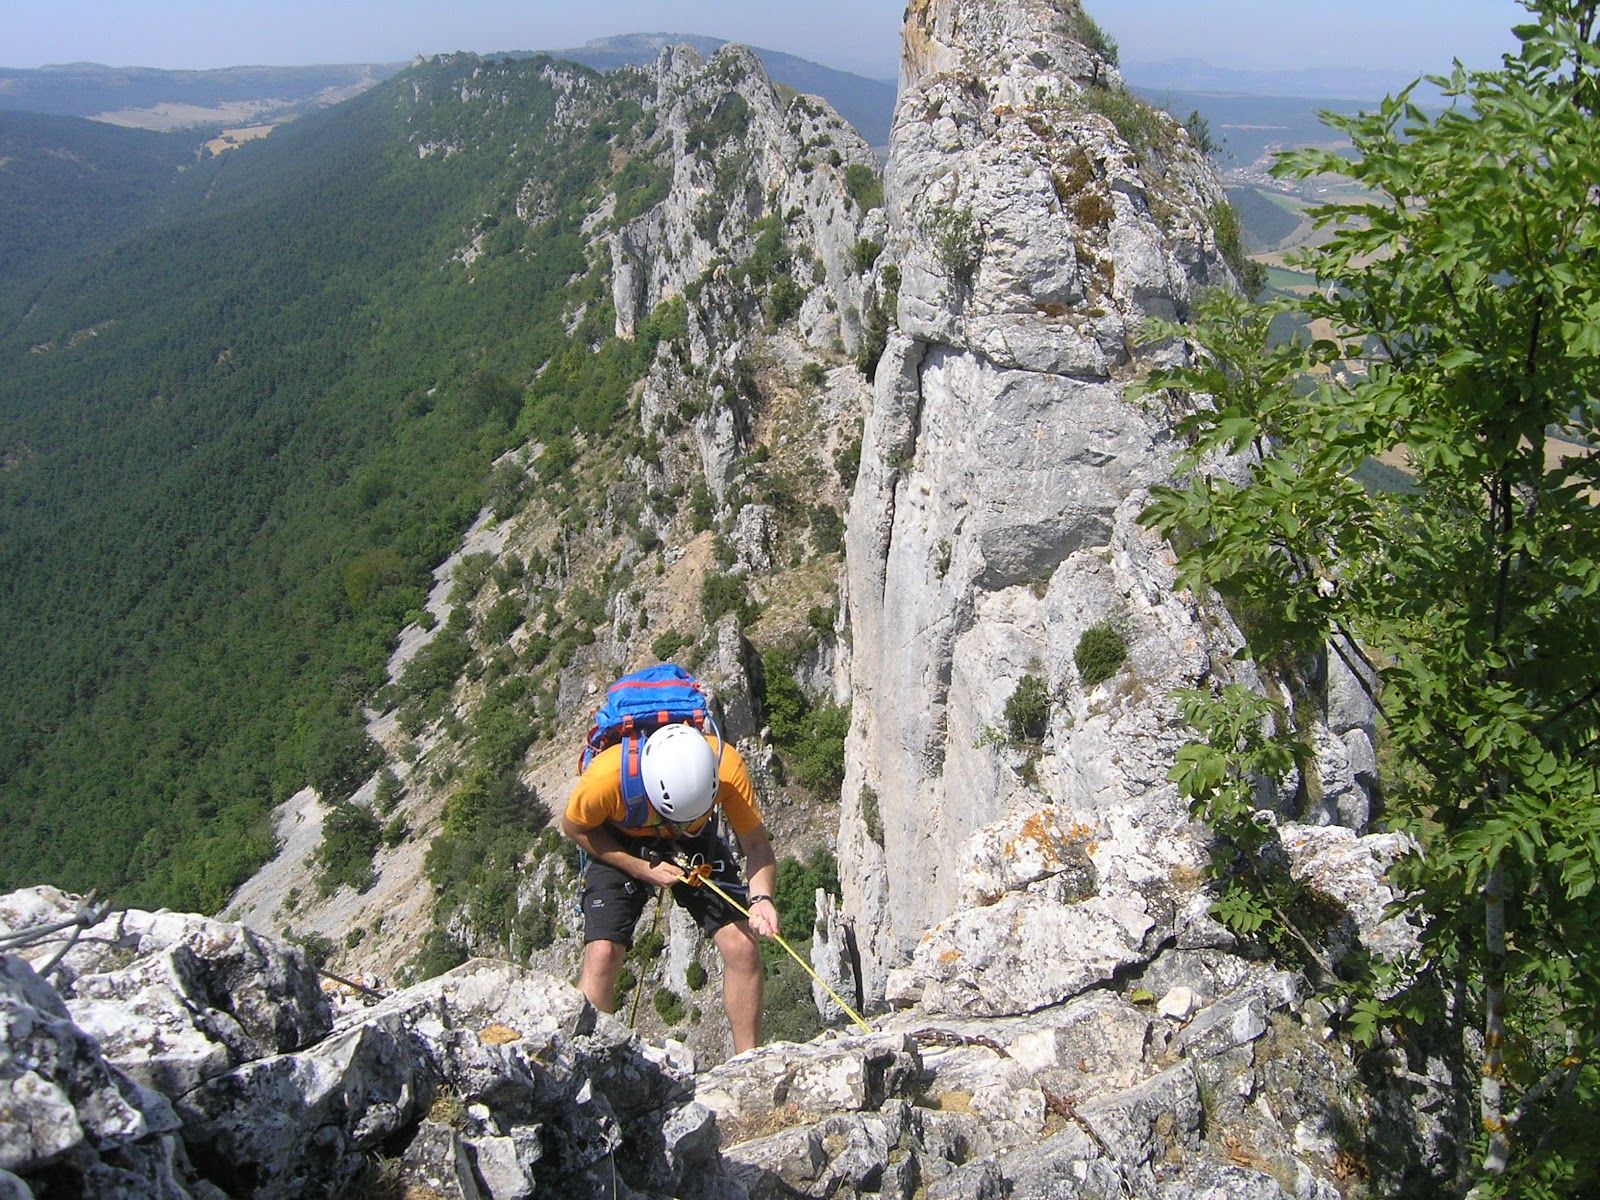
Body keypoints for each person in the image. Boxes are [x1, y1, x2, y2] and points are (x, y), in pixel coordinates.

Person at [562, 722, 780, 1053]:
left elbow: (756, 846)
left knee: (743, 946)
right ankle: (581, 1057)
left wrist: (762, 898)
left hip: (692, 838)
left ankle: (749, 1063)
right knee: (603, 953)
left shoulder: (726, 767)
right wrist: (640, 868)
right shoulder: (606, 780)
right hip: (618, 836)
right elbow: (576, 829)